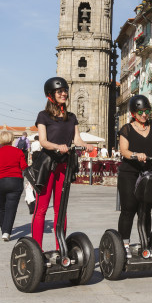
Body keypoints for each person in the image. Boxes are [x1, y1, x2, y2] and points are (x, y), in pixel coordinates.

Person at [33, 77, 95, 250]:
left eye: (65, 91)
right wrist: (57, 146)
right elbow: (43, 141)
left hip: (64, 166)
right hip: (47, 166)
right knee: (41, 209)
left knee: (61, 210)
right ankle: (37, 249)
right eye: (59, 91)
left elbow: (77, 139)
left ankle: (60, 248)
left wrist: (86, 145)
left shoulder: (72, 117)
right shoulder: (43, 116)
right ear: (50, 95)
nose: (64, 94)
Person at [117, 95, 152, 257]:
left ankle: (145, 243)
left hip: (149, 173)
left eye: (147, 111)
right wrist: (135, 154)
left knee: (146, 209)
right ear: (133, 113)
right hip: (129, 172)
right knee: (129, 208)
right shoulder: (126, 129)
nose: (144, 115)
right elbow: (124, 150)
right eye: (140, 112)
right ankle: (124, 244)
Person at [0, 130, 27, 241]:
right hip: (16, 181)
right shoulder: (18, 152)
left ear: (0, 140)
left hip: (0, 182)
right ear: (12, 140)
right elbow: (24, 167)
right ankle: (7, 232)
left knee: (1, 207)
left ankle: (4, 229)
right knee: (11, 208)